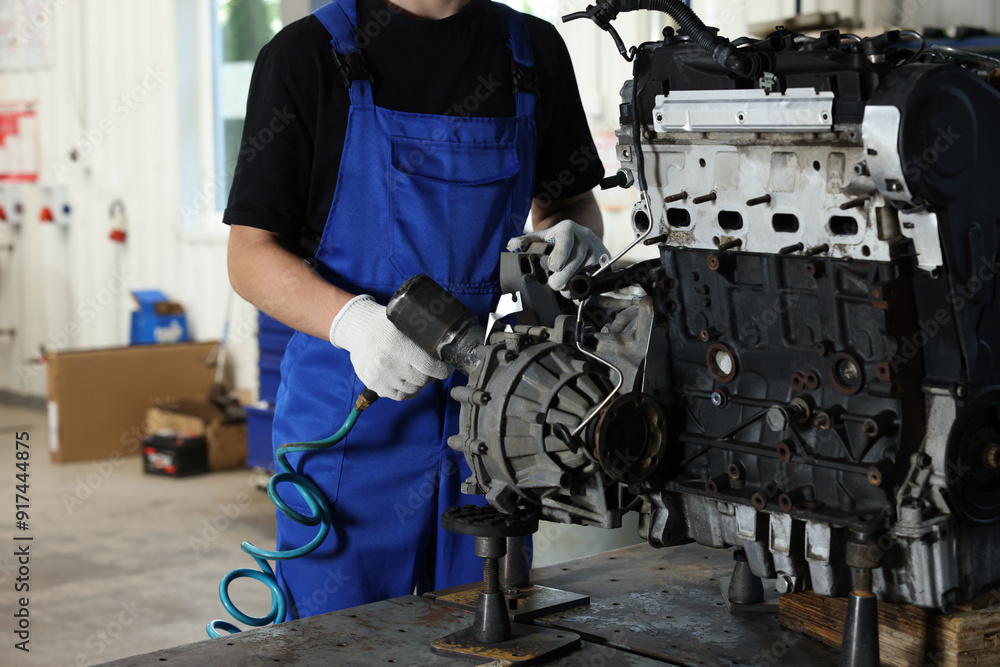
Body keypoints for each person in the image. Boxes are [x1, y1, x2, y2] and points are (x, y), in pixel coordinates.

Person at [224, 0, 607, 620]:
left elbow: (569, 205)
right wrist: (354, 325)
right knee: (341, 641)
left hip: (498, 416)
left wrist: (574, 240)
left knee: (490, 630)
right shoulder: (305, 55)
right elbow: (249, 256)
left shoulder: (532, 50)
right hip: (353, 414)